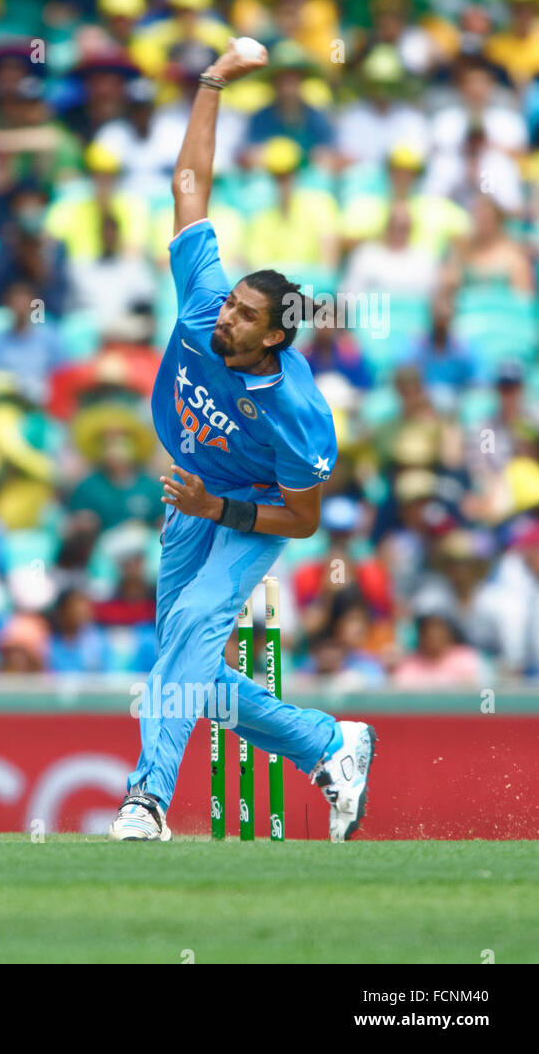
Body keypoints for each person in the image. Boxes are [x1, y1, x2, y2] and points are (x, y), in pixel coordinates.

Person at [106, 42, 375, 844]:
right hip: (192, 491)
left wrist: (215, 503)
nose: (226, 318)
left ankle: (146, 801)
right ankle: (331, 742)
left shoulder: (296, 410)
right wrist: (213, 81)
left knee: (185, 643)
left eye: (245, 319)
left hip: (245, 507)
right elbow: (189, 186)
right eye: (229, 308)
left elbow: (303, 522)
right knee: (185, 673)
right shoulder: (202, 303)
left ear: (277, 339)